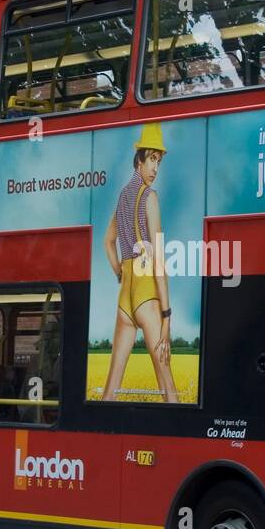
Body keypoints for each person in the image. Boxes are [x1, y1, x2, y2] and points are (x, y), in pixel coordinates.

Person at [100, 123, 180, 403]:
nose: (155, 168)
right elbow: (158, 260)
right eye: (152, 160)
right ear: (139, 160)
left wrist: (120, 272)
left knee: (110, 391)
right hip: (146, 294)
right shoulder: (150, 197)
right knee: (168, 384)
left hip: (125, 299)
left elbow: (107, 242)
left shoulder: (123, 196)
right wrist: (167, 316)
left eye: (159, 161)